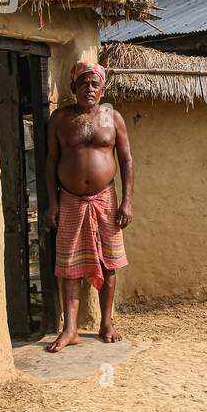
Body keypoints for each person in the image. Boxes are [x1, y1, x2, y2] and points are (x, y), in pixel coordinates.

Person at [45, 60, 133, 352]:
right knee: (69, 264)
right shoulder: (59, 119)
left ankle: (106, 322)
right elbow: (52, 161)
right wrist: (53, 202)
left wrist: (127, 201)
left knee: (109, 261)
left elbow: (126, 161)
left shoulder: (113, 118)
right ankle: (70, 328)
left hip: (106, 200)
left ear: (103, 88)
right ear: (73, 88)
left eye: (95, 83)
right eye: (83, 83)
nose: (89, 88)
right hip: (69, 199)